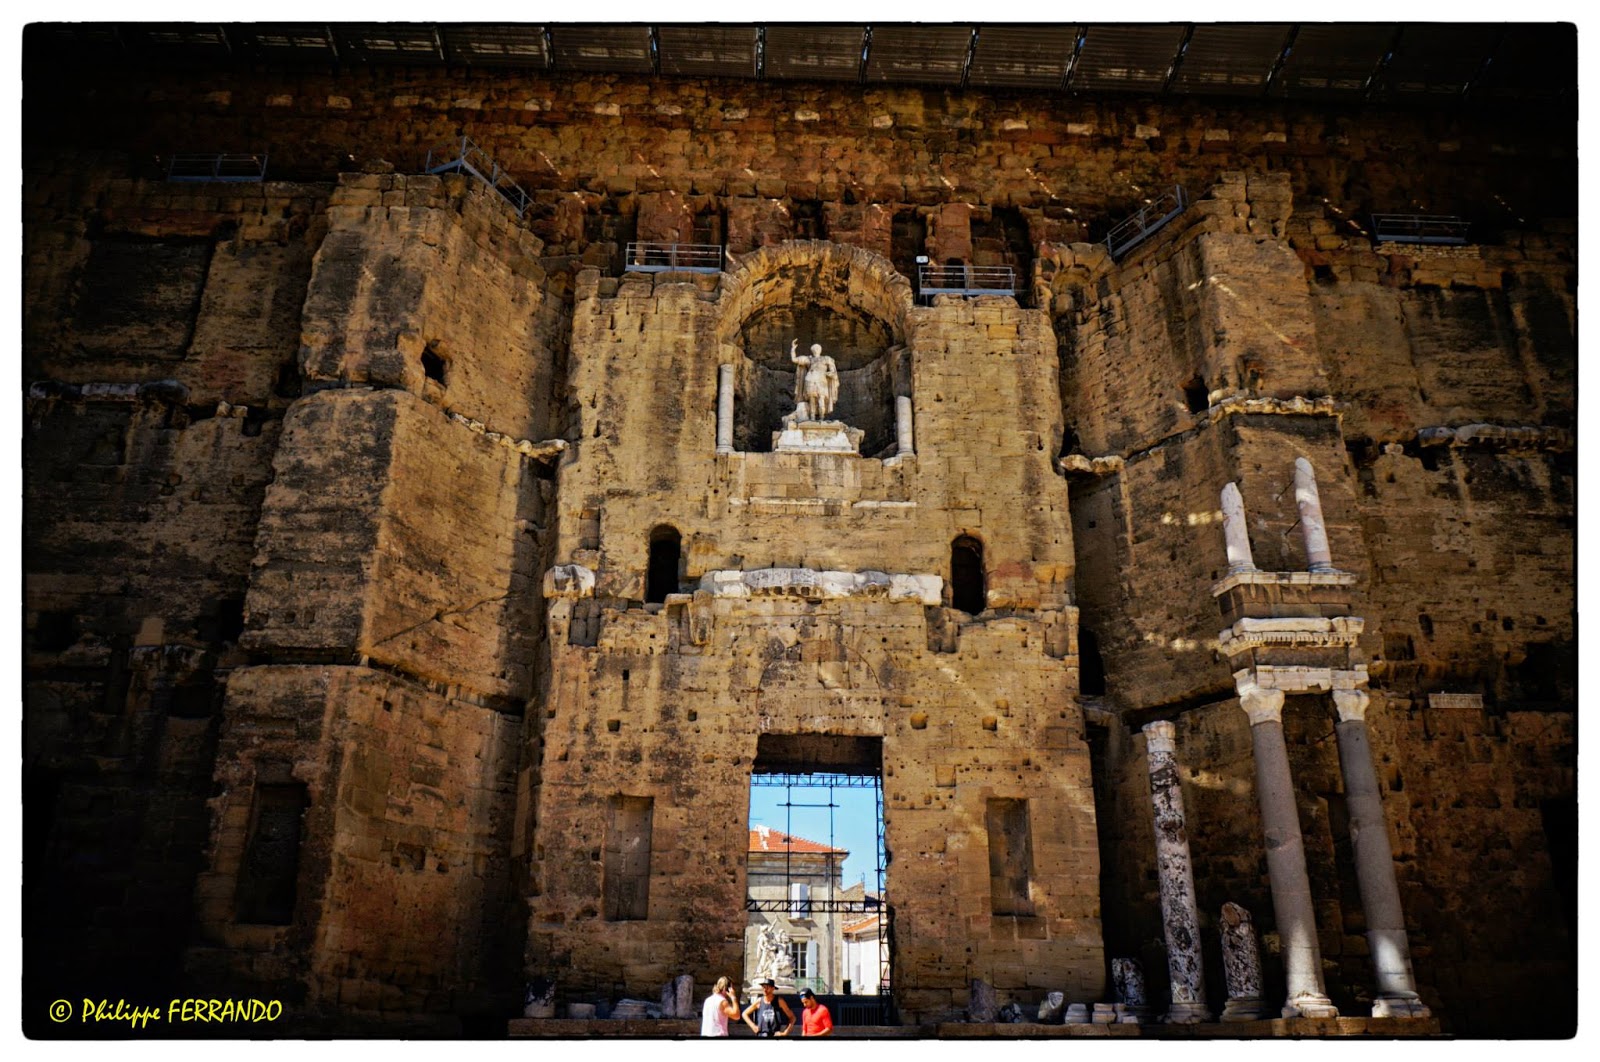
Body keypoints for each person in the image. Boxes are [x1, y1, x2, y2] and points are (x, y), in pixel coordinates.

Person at [789, 338, 840, 421]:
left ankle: (821, 418)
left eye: (817, 348)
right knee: (811, 399)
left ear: (820, 350)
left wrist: (830, 373)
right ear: (812, 350)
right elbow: (794, 360)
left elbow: (833, 370)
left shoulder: (826, 358)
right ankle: (812, 418)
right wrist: (793, 349)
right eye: (814, 349)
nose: (816, 350)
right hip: (810, 380)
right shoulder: (809, 359)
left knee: (821, 399)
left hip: (821, 380)